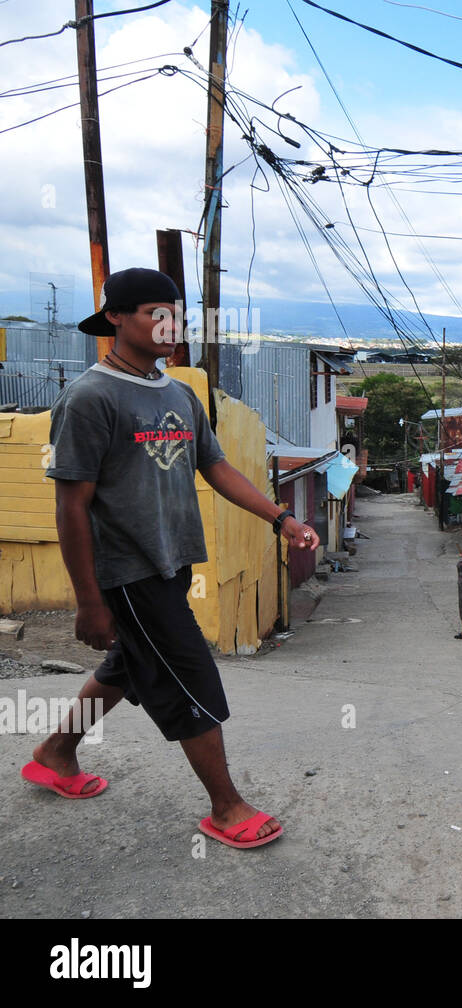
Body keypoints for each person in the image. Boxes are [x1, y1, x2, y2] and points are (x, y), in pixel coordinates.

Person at [21, 267, 317, 851]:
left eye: (176, 315)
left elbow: (217, 466)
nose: (169, 325)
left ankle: (55, 754)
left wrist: (281, 518)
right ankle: (227, 807)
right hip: (127, 572)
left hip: (172, 561)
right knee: (189, 677)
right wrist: (88, 602)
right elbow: (71, 508)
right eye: (155, 314)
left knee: (128, 665)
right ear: (115, 318)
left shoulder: (179, 392)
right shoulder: (89, 397)